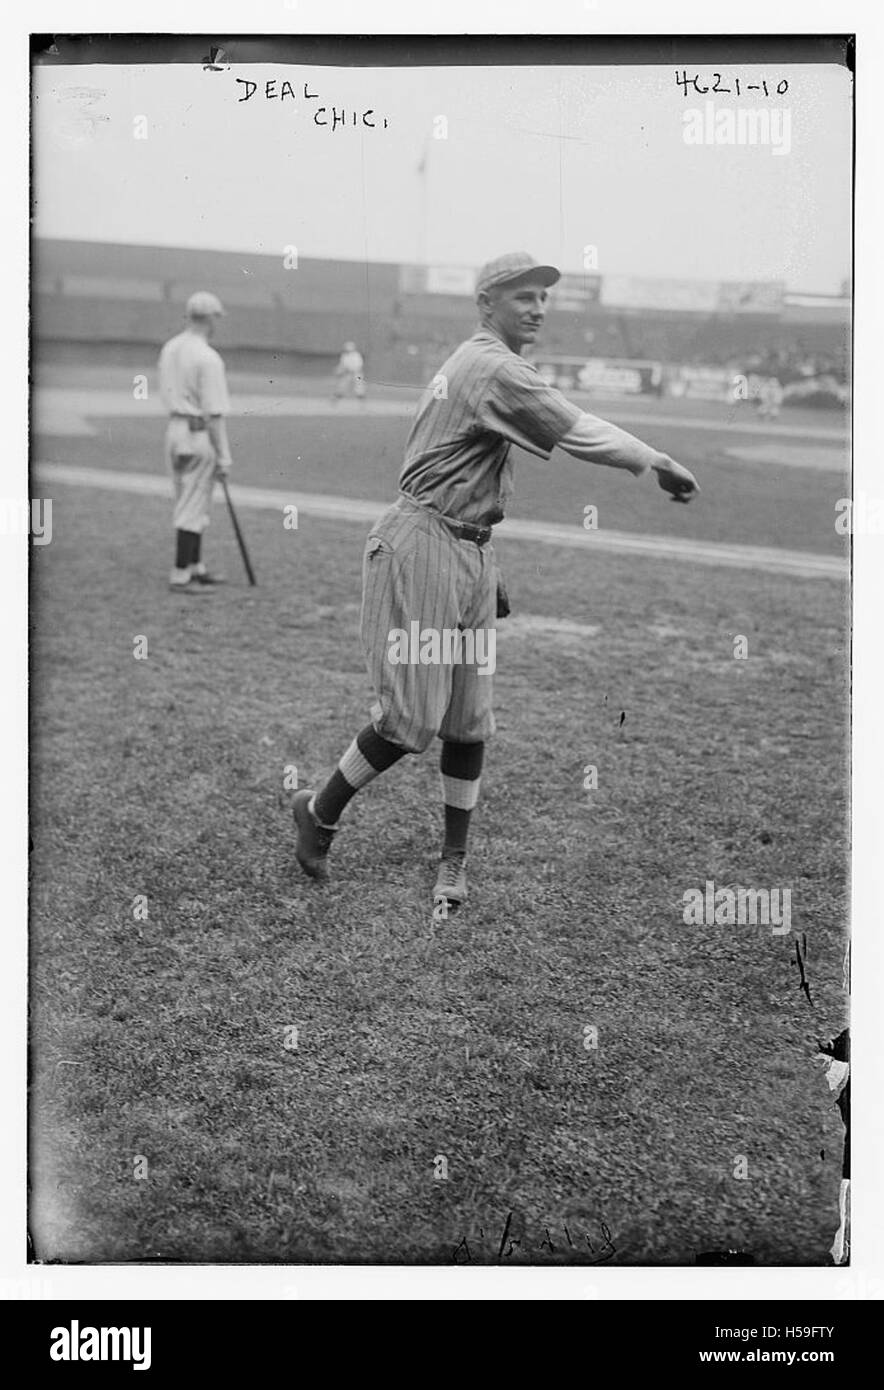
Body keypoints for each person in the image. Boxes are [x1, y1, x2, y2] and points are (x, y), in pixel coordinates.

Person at [292, 252, 699, 911]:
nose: (537, 307)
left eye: (543, 297)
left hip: (465, 546)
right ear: (487, 304)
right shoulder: (490, 364)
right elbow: (576, 429)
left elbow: (468, 470)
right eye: (522, 296)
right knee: (409, 721)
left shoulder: (484, 364)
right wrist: (653, 461)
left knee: (469, 719)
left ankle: (453, 862)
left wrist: (480, 561)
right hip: (423, 544)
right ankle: (319, 810)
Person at [158, 291, 233, 591]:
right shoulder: (208, 357)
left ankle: (195, 567)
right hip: (199, 433)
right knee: (194, 504)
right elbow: (214, 414)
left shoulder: (170, 348)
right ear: (211, 318)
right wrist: (224, 456)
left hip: (174, 431)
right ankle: (180, 576)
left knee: (187, 499)